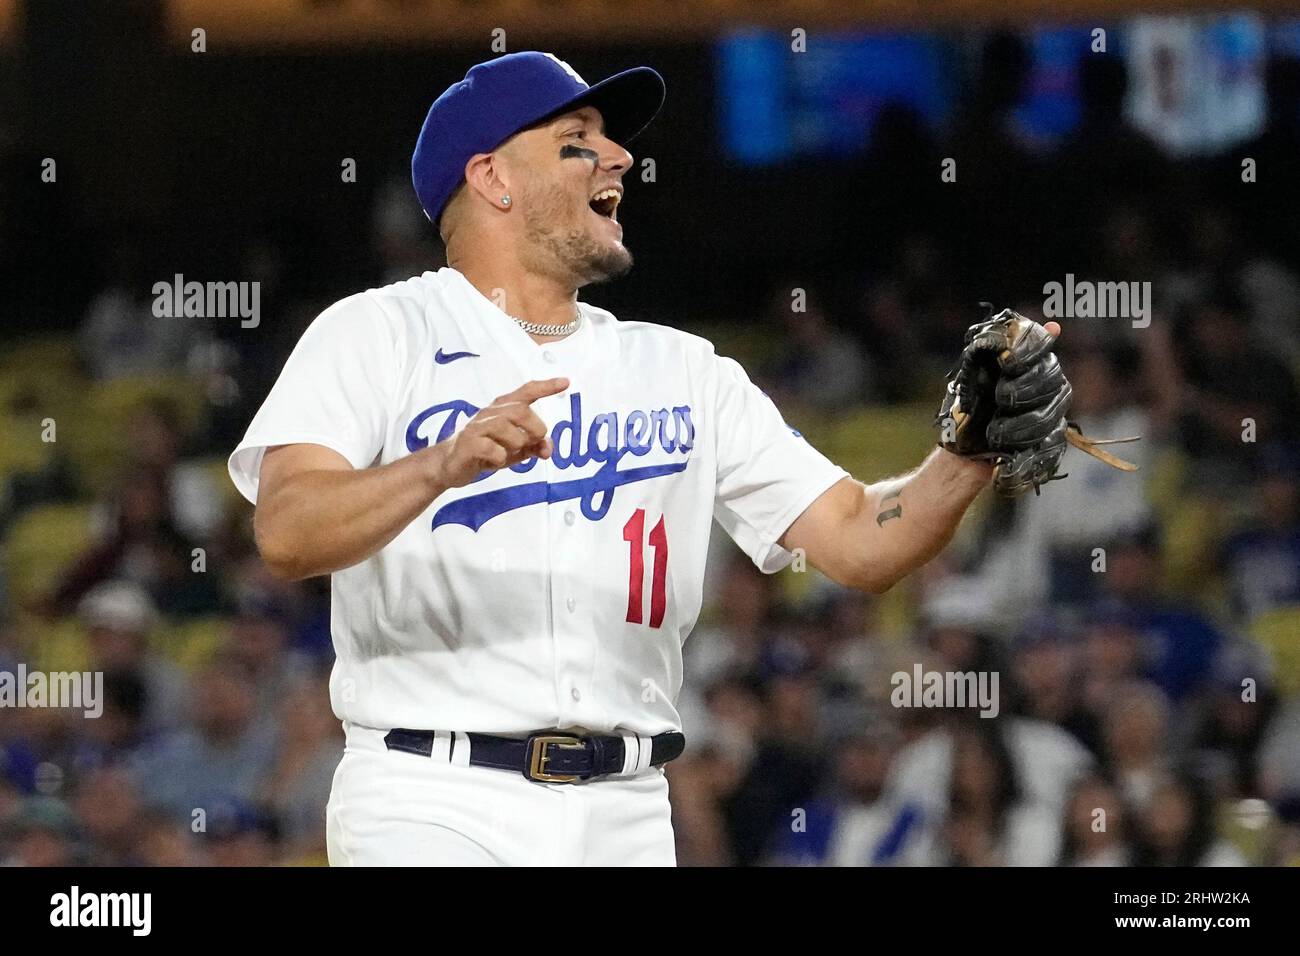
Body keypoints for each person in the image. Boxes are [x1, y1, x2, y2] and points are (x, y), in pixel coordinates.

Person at [228, 52, 1072, 866]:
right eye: (577, 139)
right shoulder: (378, 333)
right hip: (431, 795)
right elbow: (288, 529)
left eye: (611, 139)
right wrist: (436, 467)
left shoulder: (683, 370)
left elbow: (859, 539)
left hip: (627, 806)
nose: (621, 156)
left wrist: (962, 456)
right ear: (493, 179)